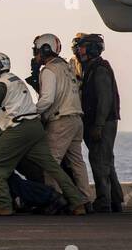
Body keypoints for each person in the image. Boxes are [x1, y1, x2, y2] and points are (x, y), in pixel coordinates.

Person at [0, 52, 87, 216]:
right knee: (53, 167)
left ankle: (3, 205)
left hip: (18, 129)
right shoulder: (13, 80)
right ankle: (78, 203)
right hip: (35, 127)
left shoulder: (0, 85)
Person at [31, 33, 92, 203]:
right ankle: (85, 199)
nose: (35, 54)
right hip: (76, 120)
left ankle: (56, 199)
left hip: (61, 121)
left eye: (36, 50)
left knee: (51, 163)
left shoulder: (49, 70)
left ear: (44, 49)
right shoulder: (66, 66)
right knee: (77, 162)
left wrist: (32, 112)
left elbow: (47, 99)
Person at [76, 33, 124, 213]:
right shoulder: (92, 68)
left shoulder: (99, 69)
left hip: (102, 122)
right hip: (102, 121)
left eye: (83, 46)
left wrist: (98, 125)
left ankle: (104, 201)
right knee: (106, 160)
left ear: (93, 48)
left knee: (99, 160)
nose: (79, 50)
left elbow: (105, 100)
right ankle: (115, 199)